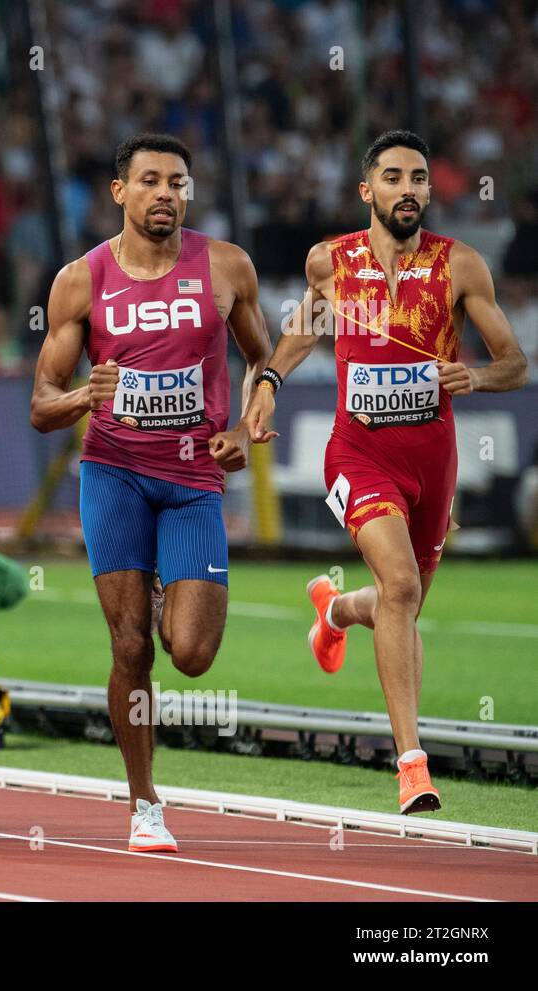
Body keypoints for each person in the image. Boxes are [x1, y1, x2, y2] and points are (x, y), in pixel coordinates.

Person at [244, 130, 529, 815]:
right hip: (357, 453)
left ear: (430, 191)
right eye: (395, 177)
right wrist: (269, 383)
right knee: (399, 586)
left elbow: (515, 361)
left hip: (433, 466)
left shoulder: (461, 266)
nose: (410, 189)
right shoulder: (330, 262)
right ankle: (411, 765)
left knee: (401, 602)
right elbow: (304, 328)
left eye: (420, 178)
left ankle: (336, 610)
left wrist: (478, 376)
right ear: (368, 191)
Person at [30, 133, 272, 852]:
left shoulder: (225, 266)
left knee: (191, 652)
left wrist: (251, 416)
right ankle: (145, 803)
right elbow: (41, 402)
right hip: (114, 473)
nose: (165, 193)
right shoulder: (82, 279)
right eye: (150, 181)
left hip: (195, 476)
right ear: (120, 192)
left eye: (177, 181)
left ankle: (169, 592)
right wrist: (82, 396)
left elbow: (263, 357)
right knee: (130, 645)